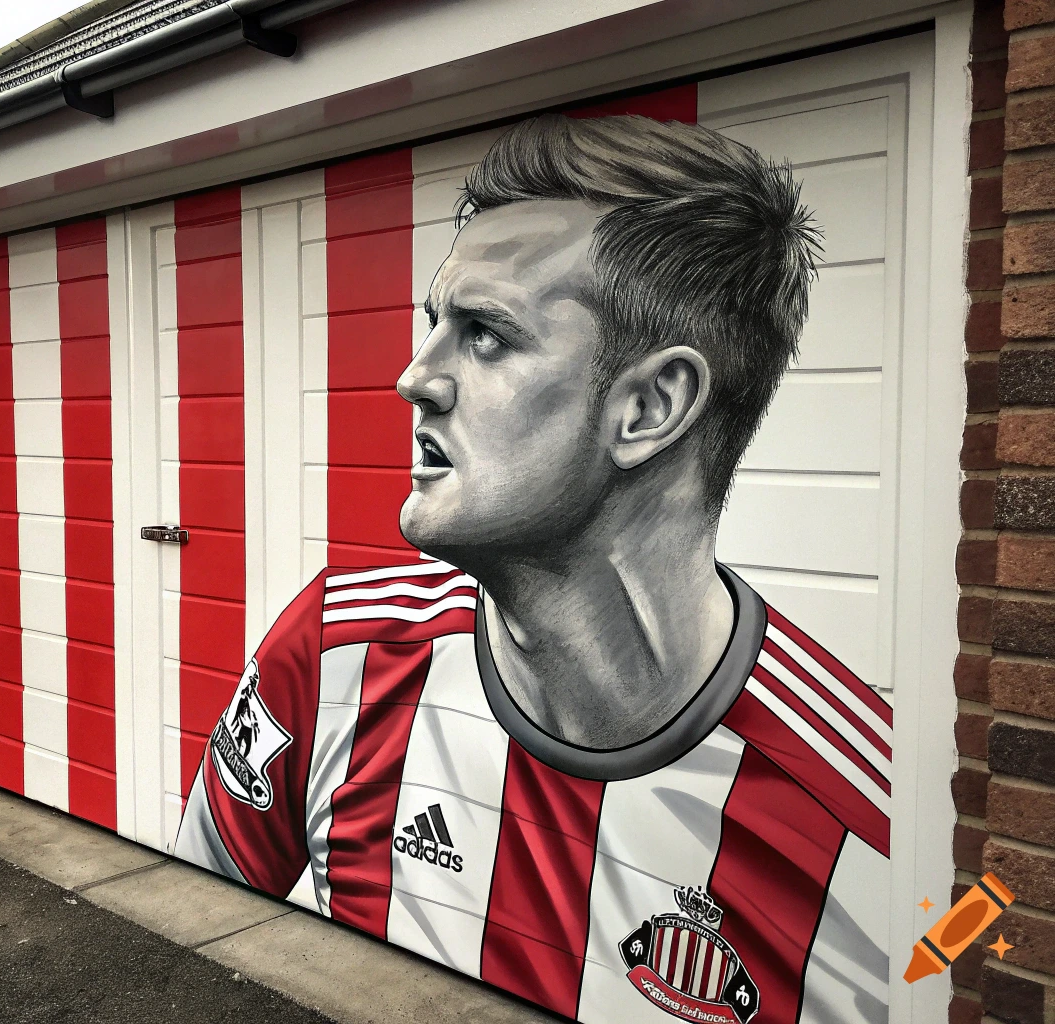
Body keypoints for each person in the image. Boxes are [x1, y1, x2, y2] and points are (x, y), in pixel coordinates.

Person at [176, 113, 892, 1024]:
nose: (413, 377)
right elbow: (180, 939)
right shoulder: (330, 656)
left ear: (648, 407)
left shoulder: (883, 833)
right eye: (435, 324)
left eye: (485, 335)